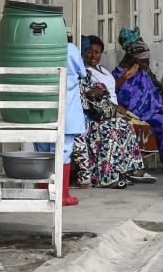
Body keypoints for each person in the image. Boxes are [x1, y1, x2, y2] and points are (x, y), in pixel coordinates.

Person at [73, 36, 151, 188]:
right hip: (90, 118)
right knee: (111, 130)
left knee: (125, 126)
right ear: (83, 53)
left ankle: (132, 170)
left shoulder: (102, 72)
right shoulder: (81, 73)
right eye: (89, 52)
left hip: (106, 113)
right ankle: (108, 177)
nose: (93, 55)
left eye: (97, 52)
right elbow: (88, 98)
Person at [114, 29, 163, 176]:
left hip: (153, 112)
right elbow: (127, 101)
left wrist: (161, 106)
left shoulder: (142, 73)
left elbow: (152, 94)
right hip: (138, 116)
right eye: (144, 61)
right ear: (134, 60)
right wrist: (126, 77)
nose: (147, 64)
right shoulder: (120, 75)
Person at [34, 33, 86, 207]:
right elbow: (83, 72)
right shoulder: (71, 49)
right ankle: (62, 195)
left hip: (41, 109)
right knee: (63, 152)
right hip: (67, 110)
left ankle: (42, 192)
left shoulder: (38, 48)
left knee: (42, 150)